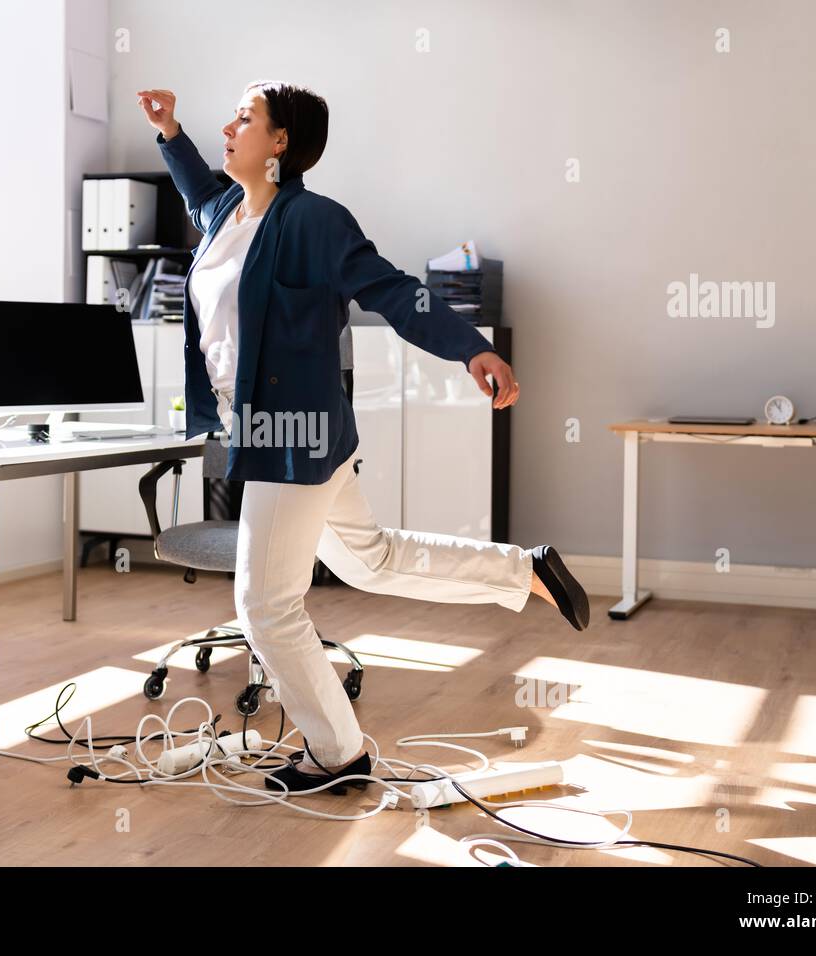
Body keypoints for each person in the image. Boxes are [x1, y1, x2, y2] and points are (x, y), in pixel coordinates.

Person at [136, 82, 588, 794]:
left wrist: (471, 347)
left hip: (296, 438)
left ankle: (337, 753)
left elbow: (391, 289)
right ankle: (522, 571)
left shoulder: (314, 220)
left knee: (264, 605)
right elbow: (195, 190)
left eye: (246, 118)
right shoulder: (224, 209)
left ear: (280, 143)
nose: (231, 125)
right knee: (371, 562)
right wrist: (169, 131)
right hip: (278, 433)